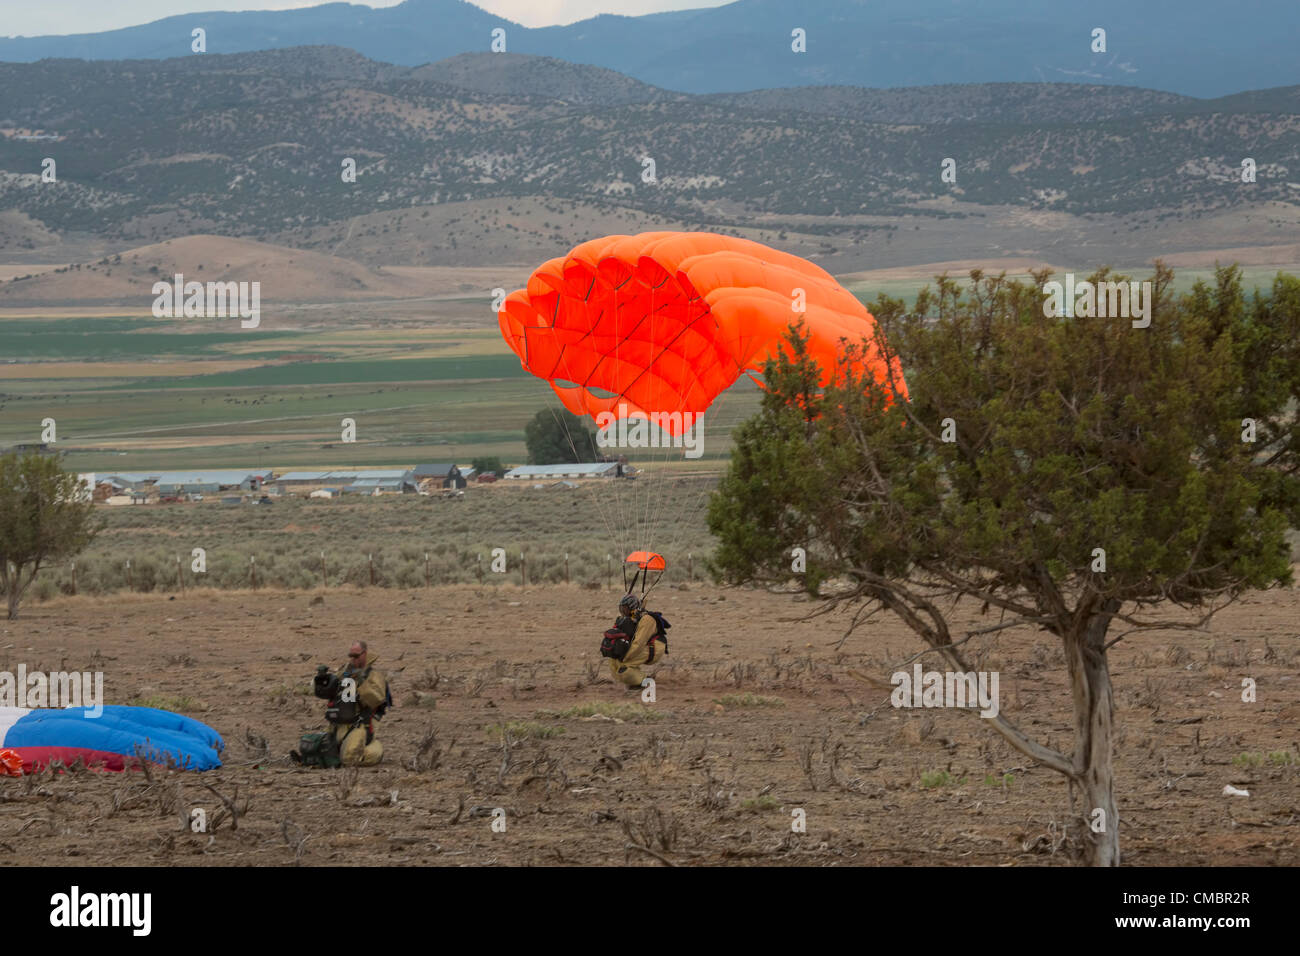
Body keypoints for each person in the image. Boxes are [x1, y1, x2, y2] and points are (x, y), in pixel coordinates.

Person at [321, 641, 390, 766]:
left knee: (349, 758)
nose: (353, 659)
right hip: (338, 723)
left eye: (356, 656)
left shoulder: (374, 676)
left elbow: (376, 699)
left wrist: (361, 684)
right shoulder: (344, 673)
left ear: (365, 654)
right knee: (318, 751)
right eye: (350, 656)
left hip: (360, 725)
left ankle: (374, 751)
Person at [604, 593, 666, 690]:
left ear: (631, 607)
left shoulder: (647, 620)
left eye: (625, 609)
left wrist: (625, 657)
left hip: (654, 648)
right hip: (642, 646)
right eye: (621, 609)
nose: (622, 612)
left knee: (624, 669)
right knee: (613, 663)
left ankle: (645, 682)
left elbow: (639, 643)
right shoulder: (631, 618)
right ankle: (636, 679)